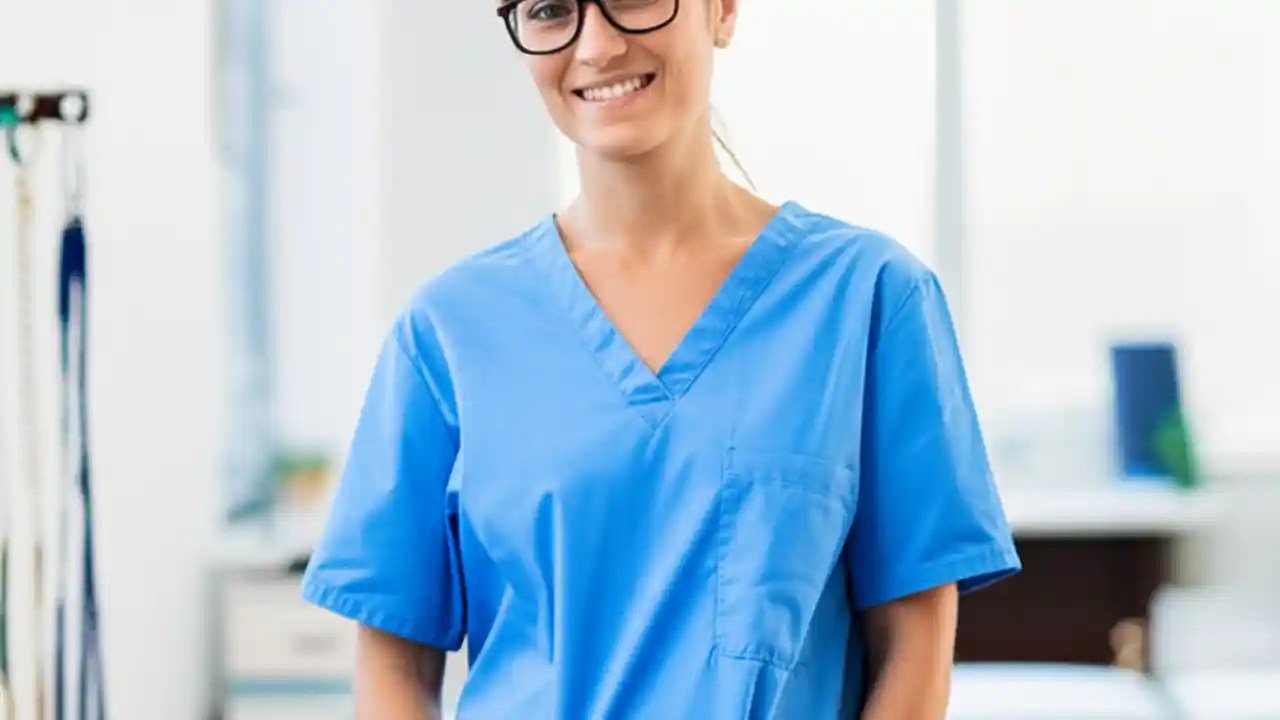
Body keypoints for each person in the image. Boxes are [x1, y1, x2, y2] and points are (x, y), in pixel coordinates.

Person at [301, 0, 1021, 717]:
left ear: (723, 12)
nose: (598, 45)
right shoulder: (450, 330)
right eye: (553, 11)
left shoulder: (867, 298)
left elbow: (915, 638)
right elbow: (394, 662)